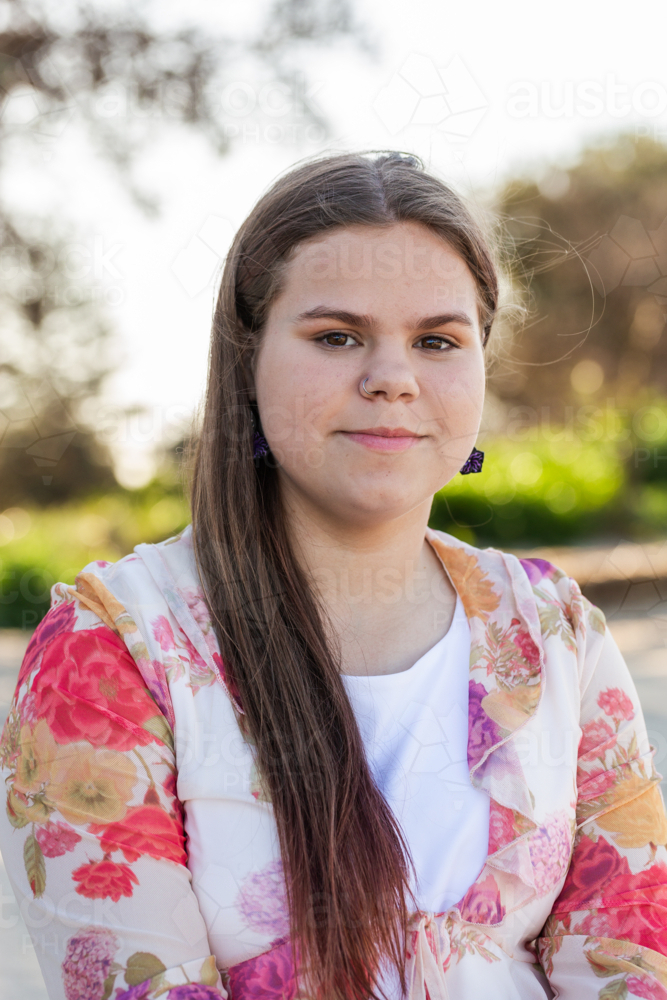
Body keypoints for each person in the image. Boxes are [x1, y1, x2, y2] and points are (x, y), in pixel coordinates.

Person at [1, 150, 666, 1000]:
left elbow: (629, 958)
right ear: (247, 360)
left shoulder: (554, 632)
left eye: (436, 341)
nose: (392, 379)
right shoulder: (116, 650)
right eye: (336, 337)